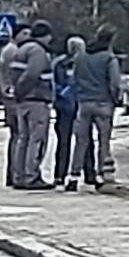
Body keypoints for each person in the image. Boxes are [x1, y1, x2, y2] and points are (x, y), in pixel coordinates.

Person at [72, 27, 123, 191]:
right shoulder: (109, 58)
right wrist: (116, 99)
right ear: (110, 40)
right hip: (103, 103)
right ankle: (101, 174)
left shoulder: (81, 57)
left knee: (81, 141)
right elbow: (114, 83)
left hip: (84, 102)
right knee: (103, 141)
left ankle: (73, 176)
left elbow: (75, 78)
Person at [9, 21, 56, 190]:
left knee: (23, 139)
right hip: (36, 99)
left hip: (23, 101)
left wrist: (18, 93)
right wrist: (23, 90)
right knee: (36, 139)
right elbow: (32, 74)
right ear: (46, 36)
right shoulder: (37, 51)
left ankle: (19, 175)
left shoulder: (20, 50)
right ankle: (32, 176)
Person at [52, 35, 83, 186]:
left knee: (65, 142)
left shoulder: (59, 63)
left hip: (65, 106)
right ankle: (88, 173)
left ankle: (60, 174)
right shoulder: (64, 64)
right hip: (72, 105)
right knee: (82, 140)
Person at [0, 33, 24, 186]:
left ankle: (11, 174)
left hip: (9, 96)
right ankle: (15, 173)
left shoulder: (7, 50)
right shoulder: (13, 52)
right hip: (13, 98)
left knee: (15, 136)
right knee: (18, 136)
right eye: (25, 33)